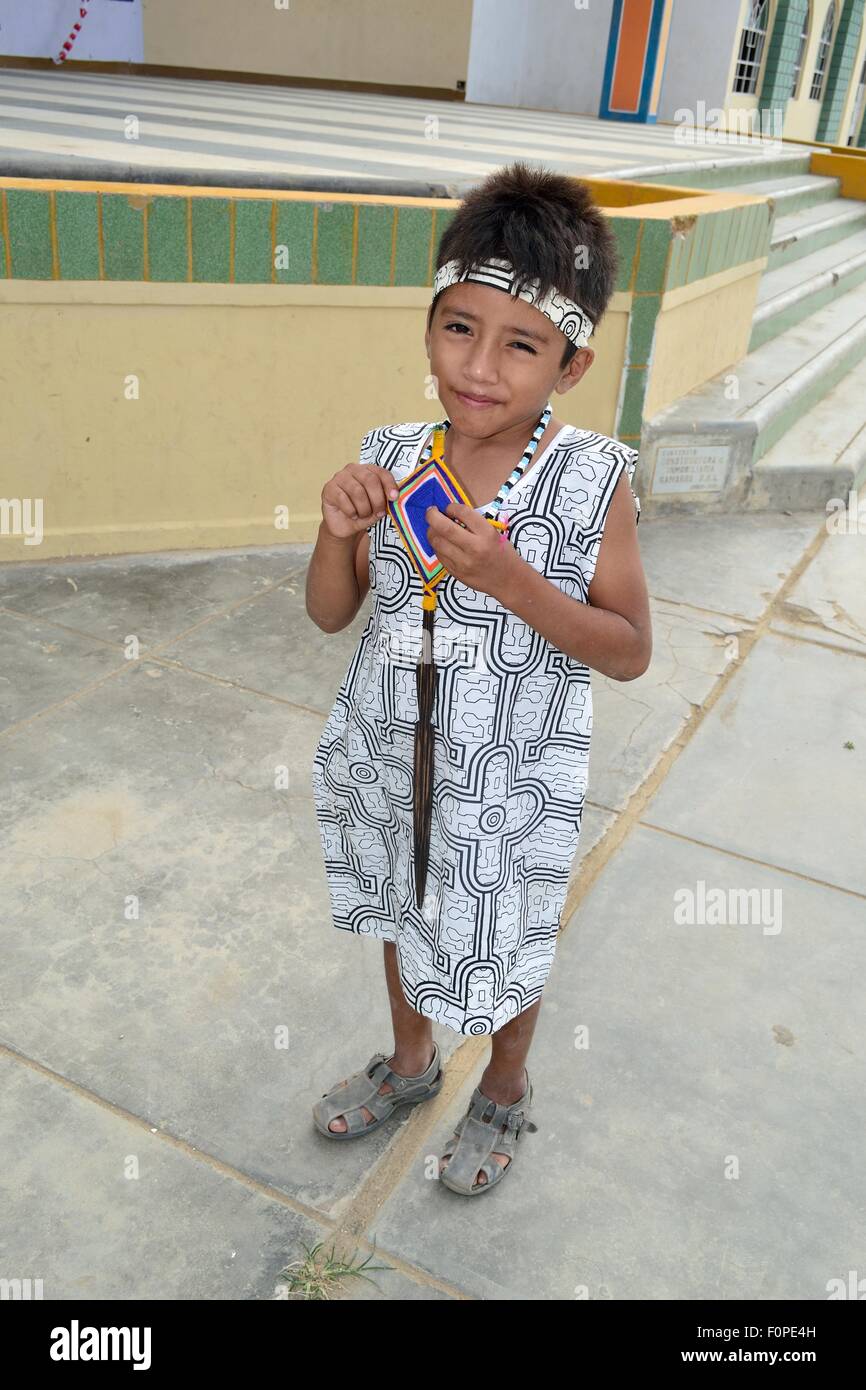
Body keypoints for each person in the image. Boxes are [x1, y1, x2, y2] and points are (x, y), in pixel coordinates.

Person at [306, 161, 651, 1196]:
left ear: (570, 363)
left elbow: (628, 647)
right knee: (399, 908)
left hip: (509, 780)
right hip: (389, 750)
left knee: (505, 940)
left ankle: (502, 1083)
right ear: (429, 323)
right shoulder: (393, 452)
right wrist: (333, 532)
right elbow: (331, 611)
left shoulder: (593, 479)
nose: (480, 369)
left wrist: (506, 576)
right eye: (458, 327)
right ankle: (410, 1064)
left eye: (521, 345)